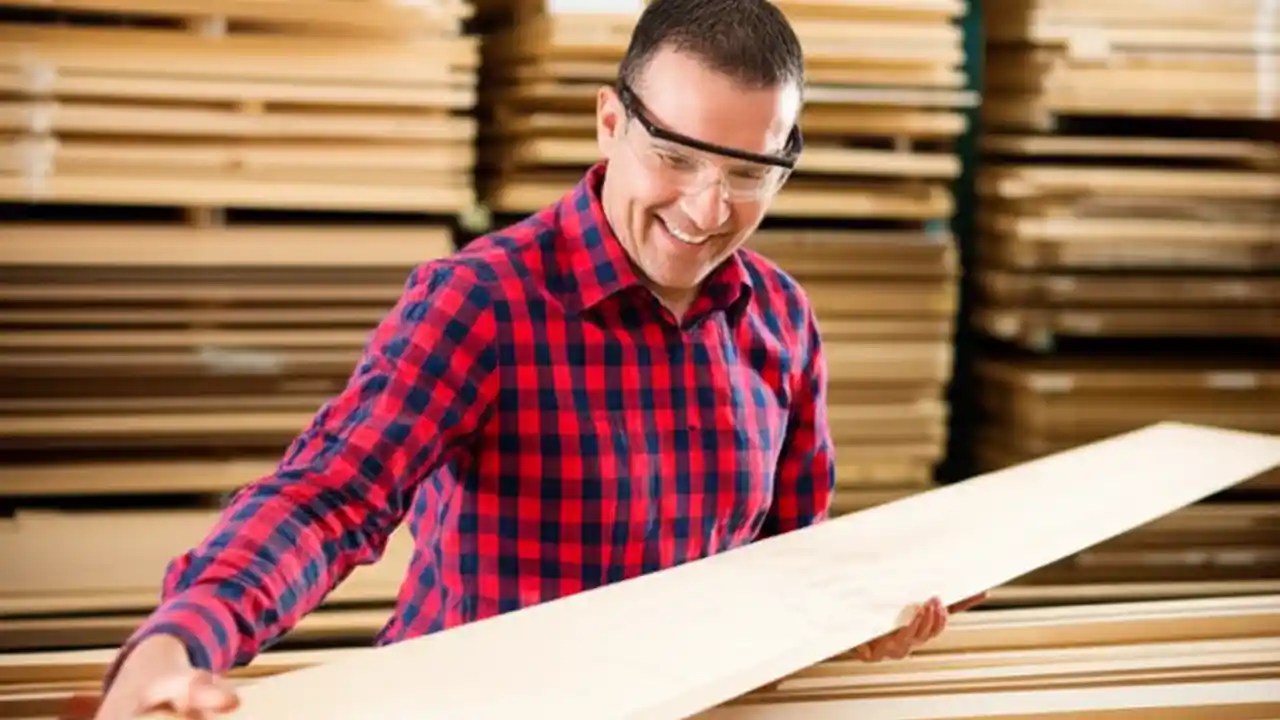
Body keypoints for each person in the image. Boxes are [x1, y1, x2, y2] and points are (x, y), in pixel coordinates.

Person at [89, 1, 985, 717]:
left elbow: (787, 565)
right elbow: (328, 498)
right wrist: (182, 642)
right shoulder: (481, 302)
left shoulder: (780, 321)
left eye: (749, 173)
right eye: (675, 157)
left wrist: (857, 620)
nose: (709, 210)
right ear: (609, 122)